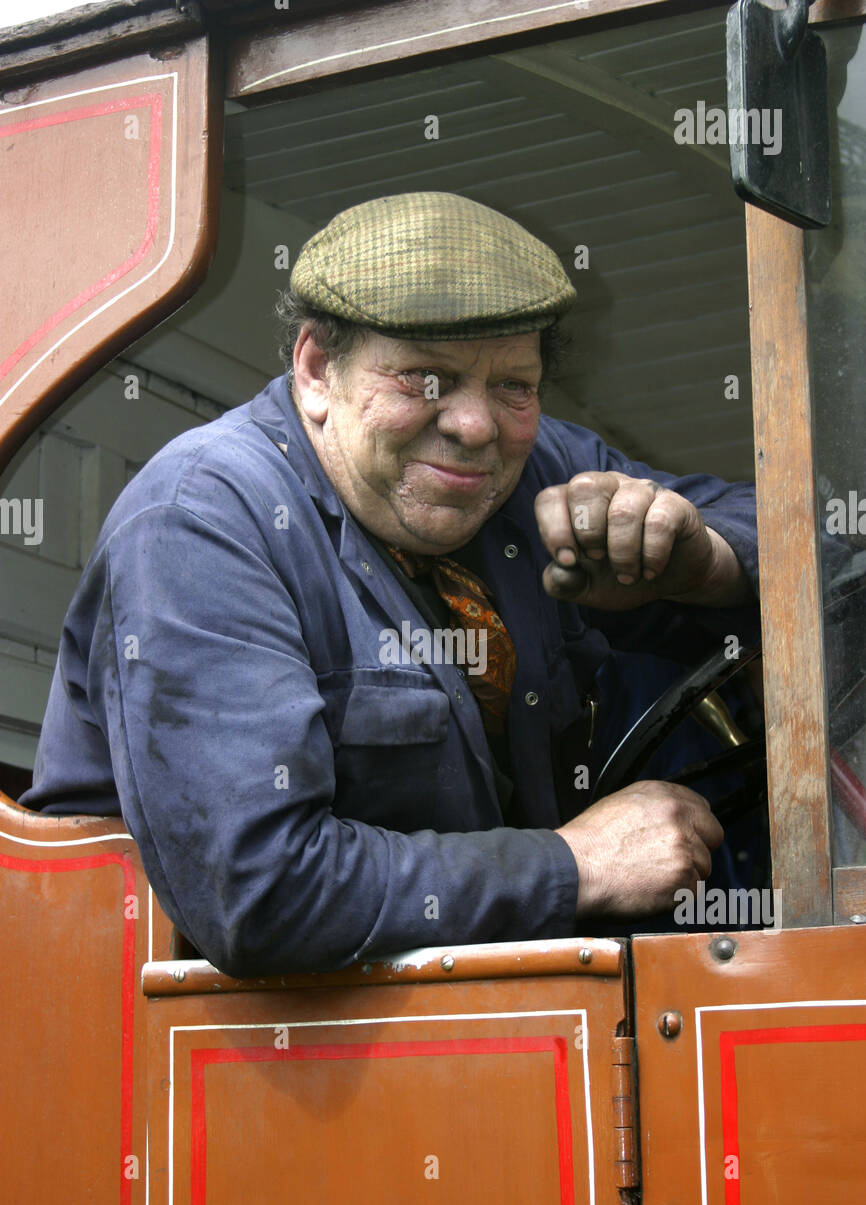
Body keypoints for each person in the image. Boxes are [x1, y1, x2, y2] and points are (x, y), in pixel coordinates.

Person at [20, 192, 762, 975]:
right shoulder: (199, 519)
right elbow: (259, 891)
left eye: (515, 385)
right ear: (315, 370)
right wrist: (578, 866)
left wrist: (697, 560)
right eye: (424, 378)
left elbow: (805, 546)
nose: (476, 425)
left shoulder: (524, 465)